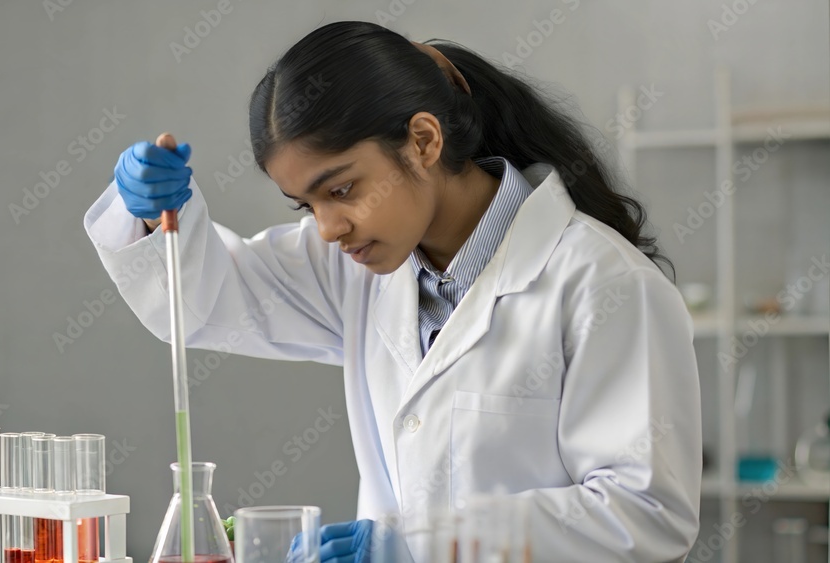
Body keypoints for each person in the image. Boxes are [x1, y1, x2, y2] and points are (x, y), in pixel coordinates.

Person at [84, 21, 702, 563]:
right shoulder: (351, 267)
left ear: (425, 141)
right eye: (306, 204)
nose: (328, 228)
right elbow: (210, 301)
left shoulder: (603, 284)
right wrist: (157, 217)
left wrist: (424, 546)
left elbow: (645, 516)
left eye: (342, 190)